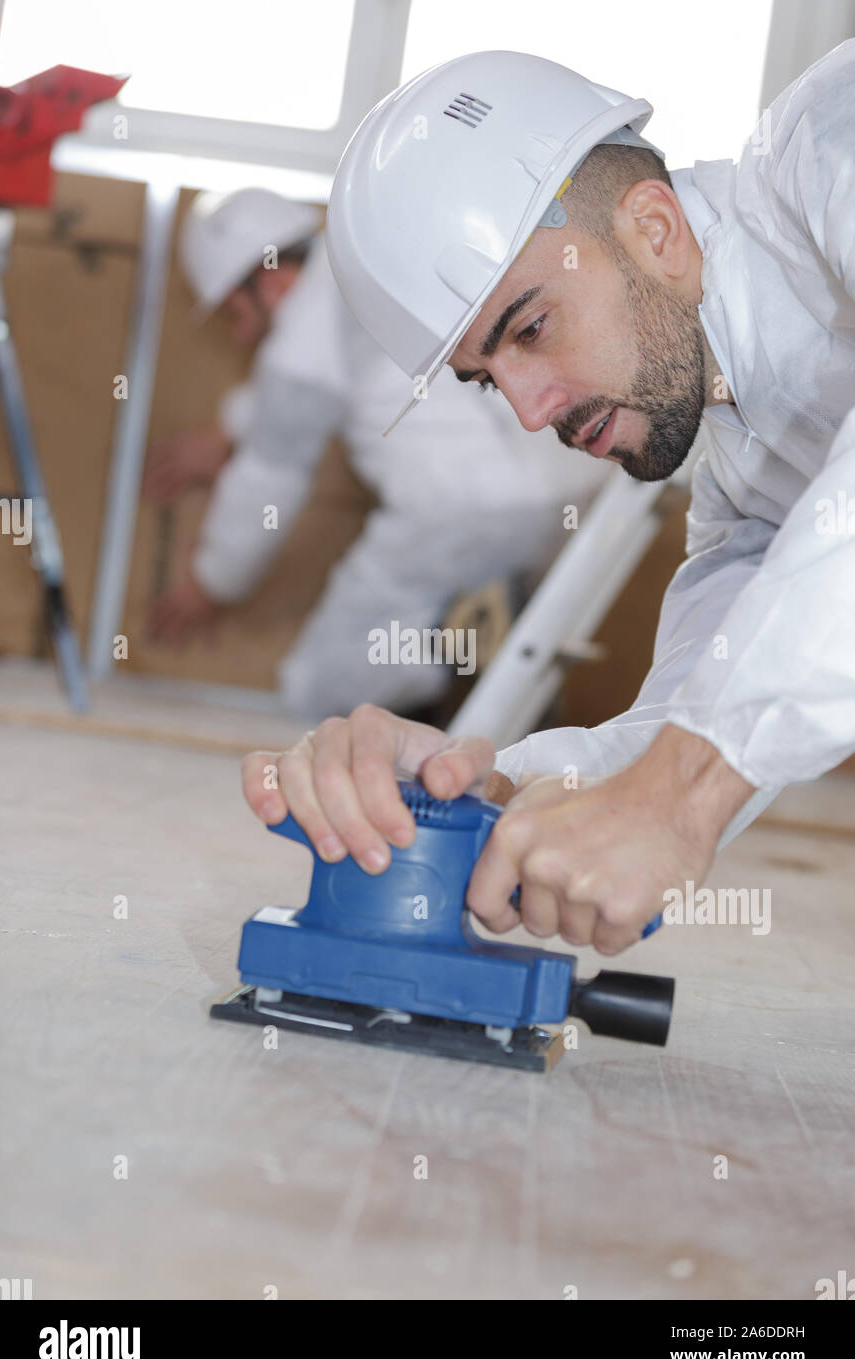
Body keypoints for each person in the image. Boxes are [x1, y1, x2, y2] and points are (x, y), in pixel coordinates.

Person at [240, 43, 855, 955]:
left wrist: (682, 793)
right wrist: (480, 792)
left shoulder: (831, 135)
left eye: (530, 328)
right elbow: (688, 718)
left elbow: (689, 765)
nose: (531, 412)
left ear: (654, 230)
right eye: (489, 380)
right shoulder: (755, 475)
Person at [144, 187, 592, 719]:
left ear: (268, 279)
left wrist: (214, 578)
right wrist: (230, 430)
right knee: (429, 646)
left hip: (459, 510)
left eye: (233, 315)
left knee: (325, 683)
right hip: (568, 486)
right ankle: (472, 641)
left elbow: (272, 472)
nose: (240, 336)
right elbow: (301, 397)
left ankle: (457, 644)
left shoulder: (300, 338)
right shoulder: (368, 270)